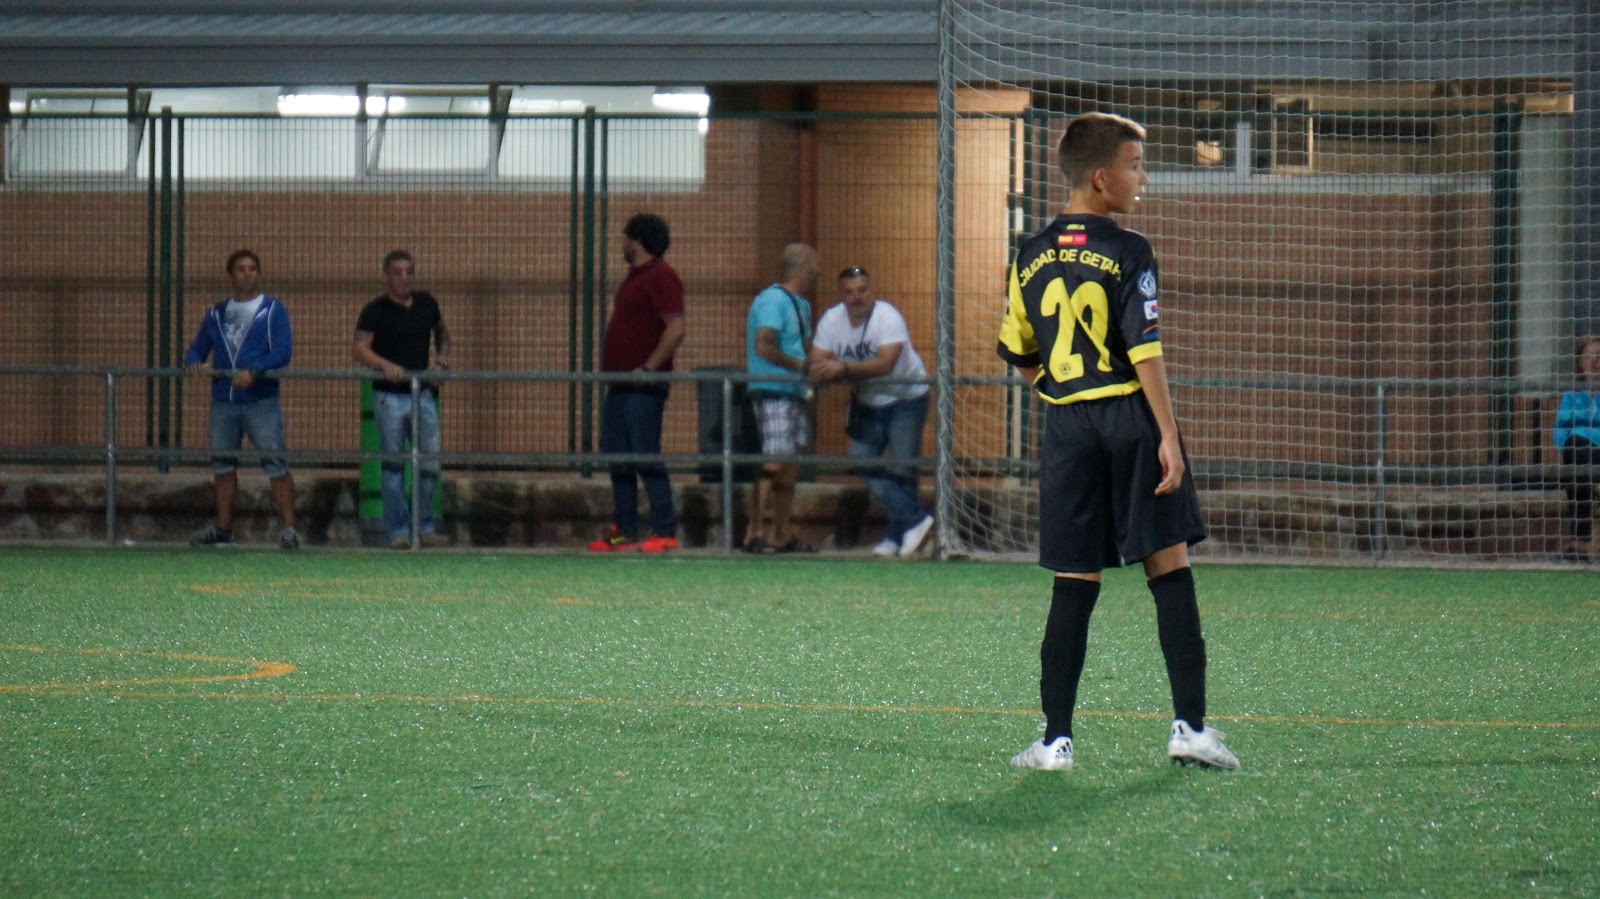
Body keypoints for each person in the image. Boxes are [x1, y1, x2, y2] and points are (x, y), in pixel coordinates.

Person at [997, 112, 1239, 772]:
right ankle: (1190, 729)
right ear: (1102, 178)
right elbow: (1144, 347)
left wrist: (1062, 393)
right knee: (1170, 569)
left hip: (1069, 427)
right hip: (1130, 418)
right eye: (1136, 166)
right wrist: (1168, 434)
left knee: (1073, 582)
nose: (1144, 178)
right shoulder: (1129, 249)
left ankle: (1055, 741)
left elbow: (1018, 350)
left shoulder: (1030, 252)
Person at [809, 266, 935, 558]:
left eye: (862, 290)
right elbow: (817, 361)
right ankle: (914, 522)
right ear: (842, 295)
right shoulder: (832, 321)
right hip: (867, 402)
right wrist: (823, 370)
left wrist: (842, 368)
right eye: (849, 292)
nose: (857, 298)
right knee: (862, 460)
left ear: (871, 290)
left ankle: (897, 535)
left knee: (902, 469)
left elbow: (885, 364)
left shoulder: (887, 317)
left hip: (906, 398)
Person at [184, 249, 300, 550]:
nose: (247, 274)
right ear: (230, 275)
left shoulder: (273, 310)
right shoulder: (216, 314)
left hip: (260, 401)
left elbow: (282, 351)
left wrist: (255, 370)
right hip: (224, 401)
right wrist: (193, 361)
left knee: (275, 463)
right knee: (222, 465)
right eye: (241, 269)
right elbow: (197, 348)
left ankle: (289, 530)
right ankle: (223, 530)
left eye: (252, 269)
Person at [587, 213, 687, 554]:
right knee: (618, 456)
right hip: (620, 384)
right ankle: (625, 528)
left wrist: (648, 368)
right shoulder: (635, 278)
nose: (622, 244)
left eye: (626, 237)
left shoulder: (661, 276)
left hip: (642, 387)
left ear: (638, 241)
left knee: (645, 455)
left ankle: (665, 530)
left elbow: (676, 328)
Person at [352, 249, 452, 550]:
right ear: (386, 277)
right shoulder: (374, 311)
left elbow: (442, 332)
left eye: (409, 272)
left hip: (423, 395)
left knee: (429, 462)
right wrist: (384, 365)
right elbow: (359, 348)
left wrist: (441, 361)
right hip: (389, 397)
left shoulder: (427, 303)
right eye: (397, 273)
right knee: (394, 465)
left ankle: (424, 527)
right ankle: (397, 530)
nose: (404, 278)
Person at [743, 243, 820, 554]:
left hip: (794, 391)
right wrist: (800, 366)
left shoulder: (802, 305)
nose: (818, 271)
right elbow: (764, 345)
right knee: (775, 459)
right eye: (814, 265)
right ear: (801, 268)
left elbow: (803, 346)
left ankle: (781, 532)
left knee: (790, 466)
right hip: (774, 389)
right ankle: (753, 531)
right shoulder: (773, 300)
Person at [1554, 335, 1600, 560]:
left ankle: (1580, 539)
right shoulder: (1571, 395)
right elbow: (1559, 434)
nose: (1595, 362)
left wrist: (1582, 432)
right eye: (1588, 357)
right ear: (1580, 362)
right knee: (1574, 452)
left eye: (1599, 357)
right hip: (1579, 456)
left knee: (1577, 448)